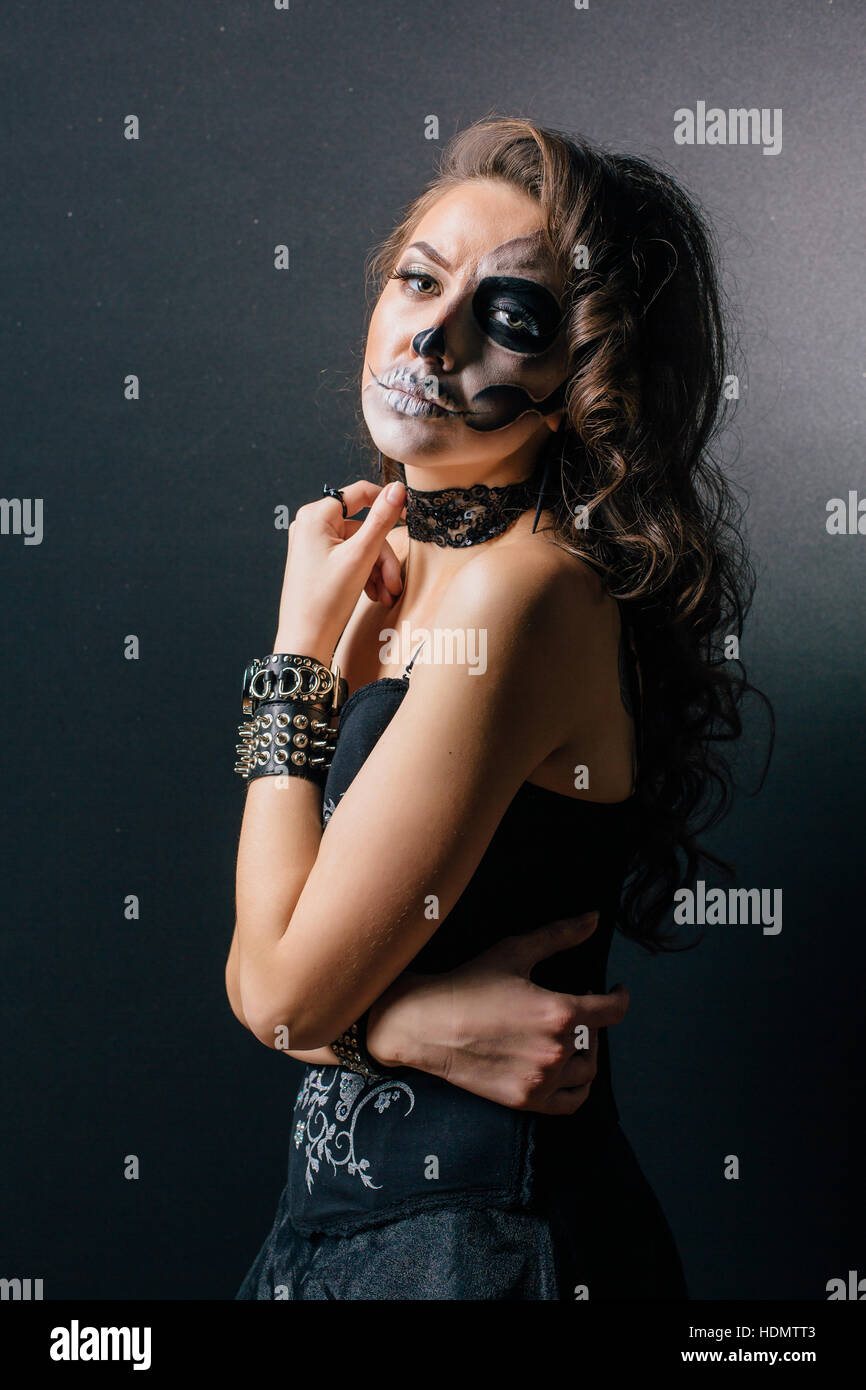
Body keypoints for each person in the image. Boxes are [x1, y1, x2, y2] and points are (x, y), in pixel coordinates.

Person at [226, 117, 771, 1300]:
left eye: (506, 315)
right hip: (322, 1243)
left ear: (577, 385)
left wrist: (294, 655)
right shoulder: (396, 571)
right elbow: (269, 980)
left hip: (480, 1255)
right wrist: (404, 1027)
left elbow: (275, 993)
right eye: (418, 279)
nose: (431, 332)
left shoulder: (529, 593)